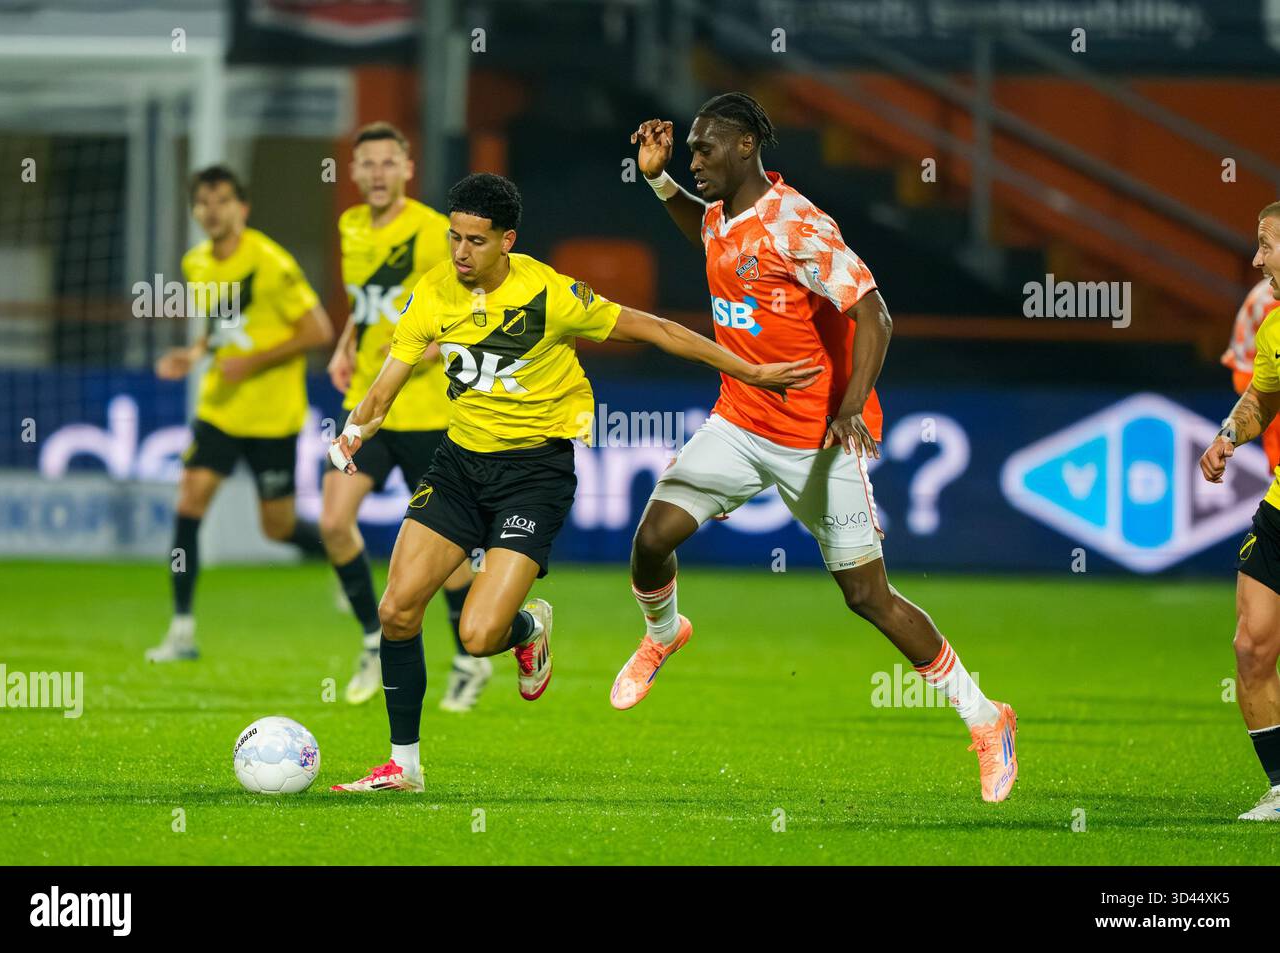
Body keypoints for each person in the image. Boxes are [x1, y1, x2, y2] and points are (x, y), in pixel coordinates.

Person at [329, 172, 821, 792]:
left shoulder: (550, 294)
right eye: (454, 237)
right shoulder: (432, 293)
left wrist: (751, 371)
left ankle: (527, 628)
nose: (460, 252)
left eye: (475, 241)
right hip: (457, 466)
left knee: (478, 636)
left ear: (507, 240)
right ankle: (405, 766)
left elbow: (657, 329)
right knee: (397, 611)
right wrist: (353, 433)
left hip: (533, 475)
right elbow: (385, 385)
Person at [611, 93, 1018, 803]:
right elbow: (704, 233)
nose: (694, 157)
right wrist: (657, 181)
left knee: (869, 598)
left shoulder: (797, 224)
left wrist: (853, 404)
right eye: (691, 148)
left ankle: (987, 719)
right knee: (651, 539)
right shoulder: (722, 217)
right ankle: (664, 634)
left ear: (746, 148)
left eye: (706, 148)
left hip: (814, 442)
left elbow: (874, 314)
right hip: (738, 424)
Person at [325, 122, 485, 710]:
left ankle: (469, 660)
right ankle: (373, 637)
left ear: (407, 168)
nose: (377, 173)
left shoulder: (430, 233)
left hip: (426, 413)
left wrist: (417, 354)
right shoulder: (350, 227)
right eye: (367, 163)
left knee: (443, 560)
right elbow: (367, 300)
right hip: (367, 409)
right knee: (334, 523)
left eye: (388, 162)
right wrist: (347, 343)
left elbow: (469, 312)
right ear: (355, 171)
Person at [147, 165, 333, 662]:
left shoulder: (271, 262)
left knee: (277, 528)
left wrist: (253, 362)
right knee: (189, 504)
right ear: (195, 210)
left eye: (224, 200)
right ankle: (181, 630)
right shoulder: (196, 264)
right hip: (220, 411)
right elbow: (224, 322)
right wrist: (196, 353)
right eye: (204, 202)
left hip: (272, 416)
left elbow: (319, 331)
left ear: (242, 207)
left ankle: (338, 552)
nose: (213, 210)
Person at [1199, 200, 1280, 821]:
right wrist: (1229, 435)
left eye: (1267, 245)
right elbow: (1262, 393)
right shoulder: (1273, 324)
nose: (1257, 258)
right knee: (1251, 646)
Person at [1221, 277, 1280, 471]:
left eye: (1266, 248)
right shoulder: (1268, 304)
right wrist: (1225, 438)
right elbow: (1257, 398)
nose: (1258, 260)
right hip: (1252, 372)